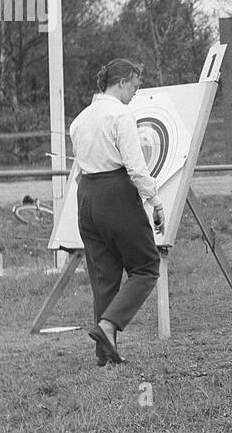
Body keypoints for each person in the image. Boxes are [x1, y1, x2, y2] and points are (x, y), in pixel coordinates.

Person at [68, 58, 165, 366]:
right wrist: (156, 201)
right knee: (146, 266)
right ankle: (108, 326)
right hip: (116, 193)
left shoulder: (80, 119)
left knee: (104, 277)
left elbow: (79, 165)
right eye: (135, 85)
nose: (136, 92)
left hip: (86, 195)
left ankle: (104, 355)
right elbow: (136, 168)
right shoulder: (121, 115)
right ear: (122, 82)